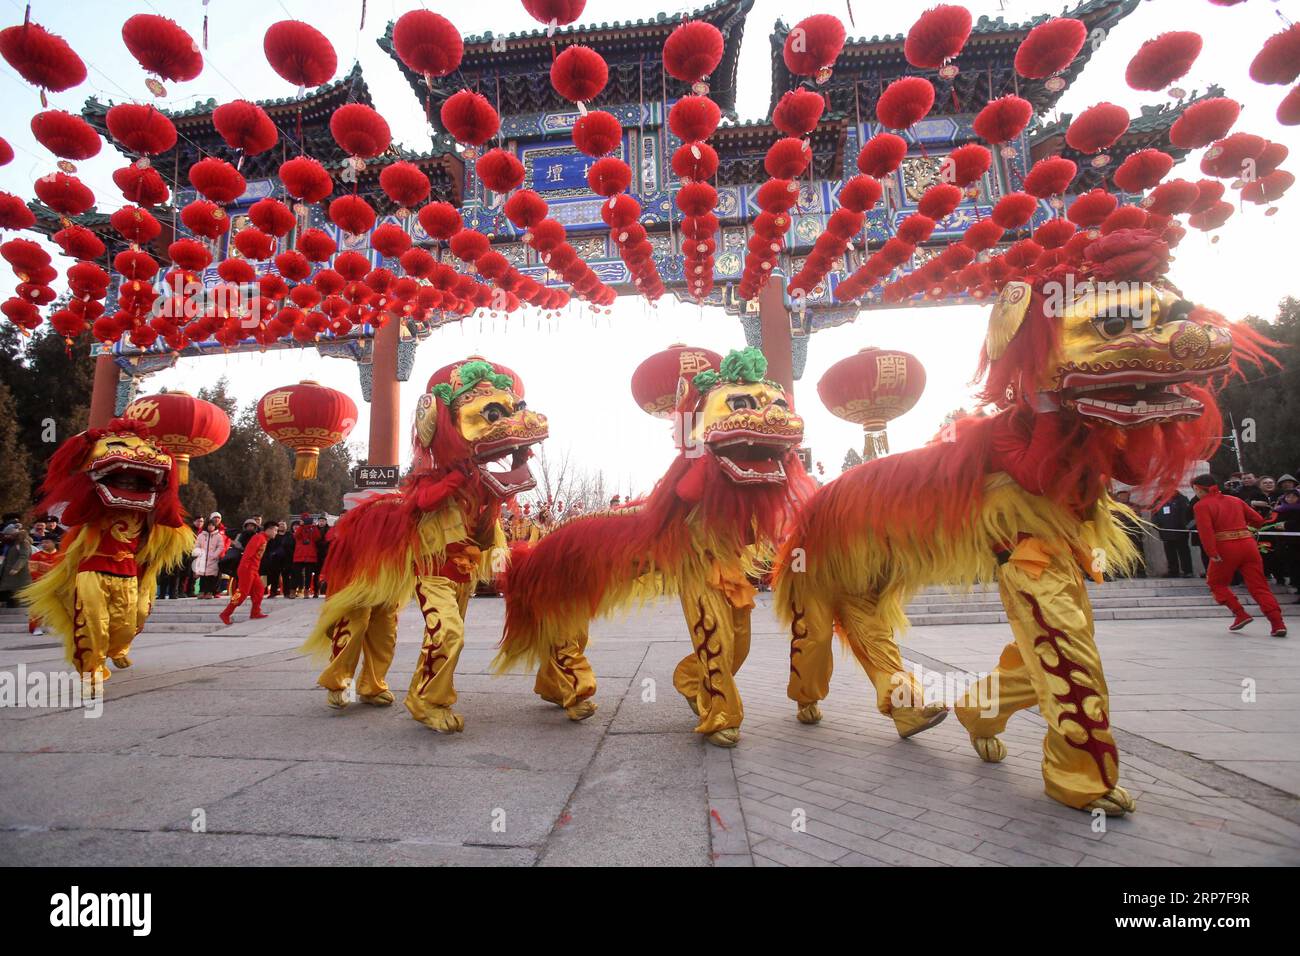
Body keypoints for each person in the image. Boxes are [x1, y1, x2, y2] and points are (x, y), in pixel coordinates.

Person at [1191, 474, 1286, 637]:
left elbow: (1205, 531)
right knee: (1259, 586)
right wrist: (1246, 528)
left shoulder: (1202, 505)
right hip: (1248, 545)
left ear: (1198, 489)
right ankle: (1277, 623)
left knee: (1216, 583)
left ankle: (1240, 613)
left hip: (1225, 547)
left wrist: (1211, 553)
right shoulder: (1234, 500)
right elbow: (1257, 519)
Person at [220, 523, 277, 626]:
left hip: (253, 570)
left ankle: (255, 612)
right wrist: (245, 568)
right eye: (275, 530)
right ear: (269, 530)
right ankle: (226, 613)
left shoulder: (263, 539)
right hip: (247, 569)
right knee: (241, 594)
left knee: (259, 589)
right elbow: (248, 553)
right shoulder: (259, 538)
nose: (276, 533)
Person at [1152, 489, 1194, 577]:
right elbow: (1154, 513)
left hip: (1180, 531)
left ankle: (1187, 571)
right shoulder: (1158, 500)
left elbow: (1186, 513)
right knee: (1170, 552)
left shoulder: (1181, 499)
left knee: (1183, 551)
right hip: (1166, 531)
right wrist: (1155, 524)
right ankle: (1173, 571)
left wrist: (1185, 526)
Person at [1112, 489, 1148, 578]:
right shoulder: (1115, 507)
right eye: (1121, 496)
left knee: (1138, 553)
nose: (1123, 498)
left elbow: (1137, 517)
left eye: (1125, 496)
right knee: (1123, 554)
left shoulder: (1134, 506)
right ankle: (1125, 572)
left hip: (1135, 533)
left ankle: (1141, 572)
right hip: (1122, 534)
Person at [192, 515, 227, 599]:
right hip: (203, 559)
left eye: (212, 525)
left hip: (213, 559)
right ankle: (202, 591)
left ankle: (209, 592)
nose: (210, 527)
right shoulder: (201, 535)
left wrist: (215, 555)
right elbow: (197, 545)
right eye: (209, 525)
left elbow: (220, 546)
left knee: (211, 577)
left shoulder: (218, 536)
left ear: (215, 526)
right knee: (203, 577)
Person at [0, 522, 32, 608]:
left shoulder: (23, 543)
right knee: (10, 593)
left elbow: (24, 556)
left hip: (19, 574)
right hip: (8, 573)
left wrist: (16, 568)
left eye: (7, 535)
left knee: (17, 592)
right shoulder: (11, 543)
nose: (6, 536)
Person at [292, 513, 322, 598]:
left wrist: (314, 527)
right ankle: (294, 590)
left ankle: (307, 591)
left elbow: (317, 537)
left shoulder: (313, 529)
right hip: (299, 554)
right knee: (296, 573)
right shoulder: (299, 528)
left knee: (309, 575)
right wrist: (302, 526)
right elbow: (296, 536)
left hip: (310, 554)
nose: (306, 522)